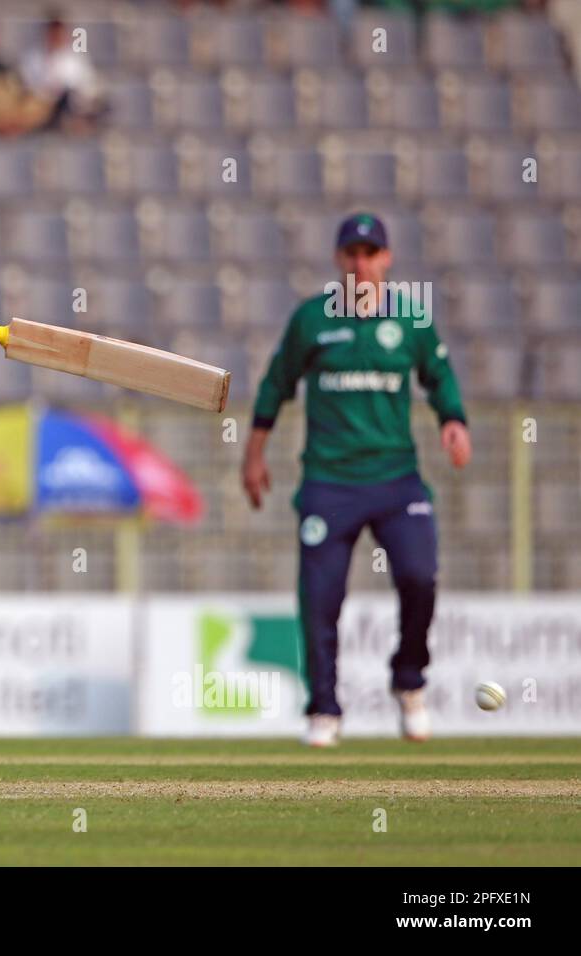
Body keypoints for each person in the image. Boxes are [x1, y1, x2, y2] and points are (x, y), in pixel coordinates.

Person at [241, 213, 472, 747]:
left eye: (371, 254)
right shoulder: (313, 320)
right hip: (329, 480)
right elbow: (277, 385)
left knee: (420, 576)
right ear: (338, 259)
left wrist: (454, 420)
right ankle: (324, 710)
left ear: (387, 259)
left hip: (397, 479)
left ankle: (408, 681)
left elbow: (438, 376)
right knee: (320, 599)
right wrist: (253, 455)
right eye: (352, 254)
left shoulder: (410, 321)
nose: (361, 264)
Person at [17, 16, 107, 133]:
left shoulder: (77, 58)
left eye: (59, 34)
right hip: (41, 108)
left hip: (71, 106)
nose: (56, 37)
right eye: (53, 34)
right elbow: (26, 86)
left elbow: (86, 86)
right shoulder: (32, 58)